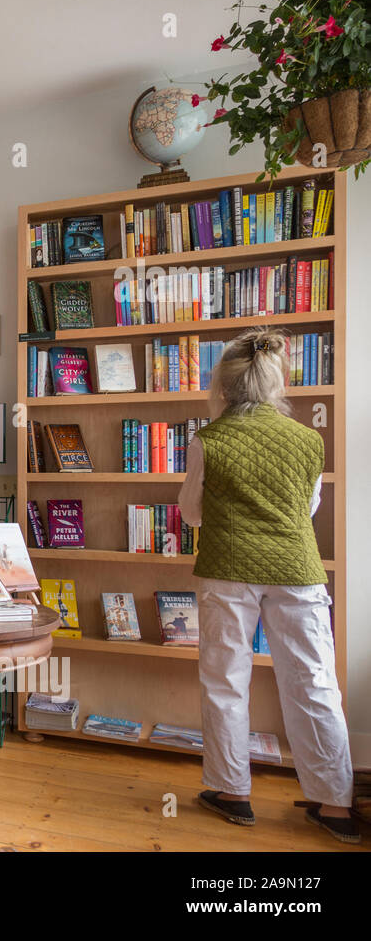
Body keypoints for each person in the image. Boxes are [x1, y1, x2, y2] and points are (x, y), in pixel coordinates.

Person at [178, 327, 357, 844]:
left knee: (225, 681)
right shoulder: (308, 440)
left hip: (227, 570)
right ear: (277, 381)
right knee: (314, 682)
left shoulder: (209, 439)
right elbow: (308, 508)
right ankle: (335, 805)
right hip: (297, 570)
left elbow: (191, 513)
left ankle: (232, 792)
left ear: (224, 385)